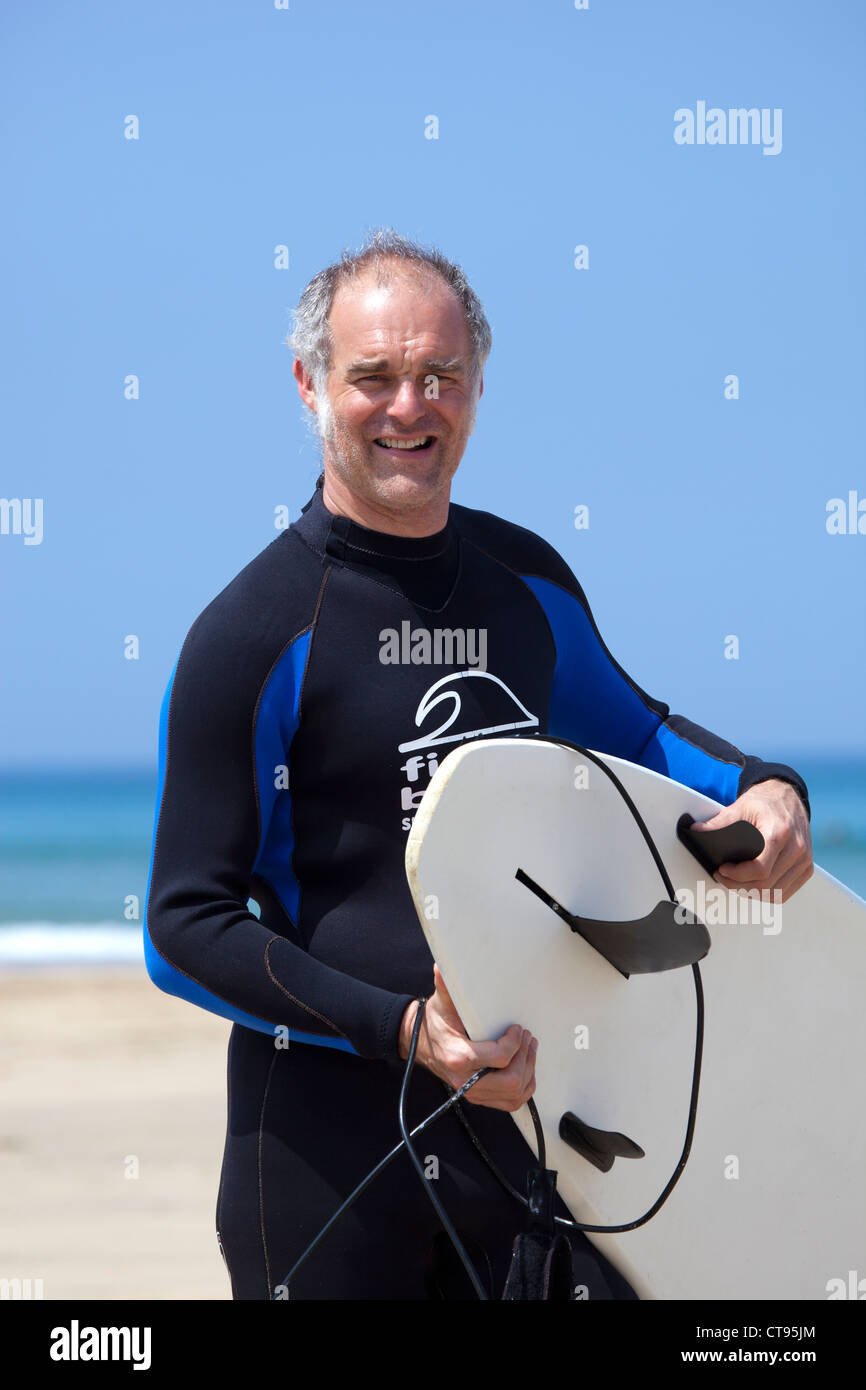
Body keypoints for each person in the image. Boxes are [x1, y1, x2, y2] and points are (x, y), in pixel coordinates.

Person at [143, 228, 813, 1301]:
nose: (409, 407)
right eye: (373, 376)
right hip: (324, 1171)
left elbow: (639, 738)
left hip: (537, 1138)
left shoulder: (525, 584)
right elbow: (183, 928)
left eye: (440, 376)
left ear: (477, 387)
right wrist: (406, 1030)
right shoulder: (253, 636)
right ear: (310, 385)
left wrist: (763, 787)